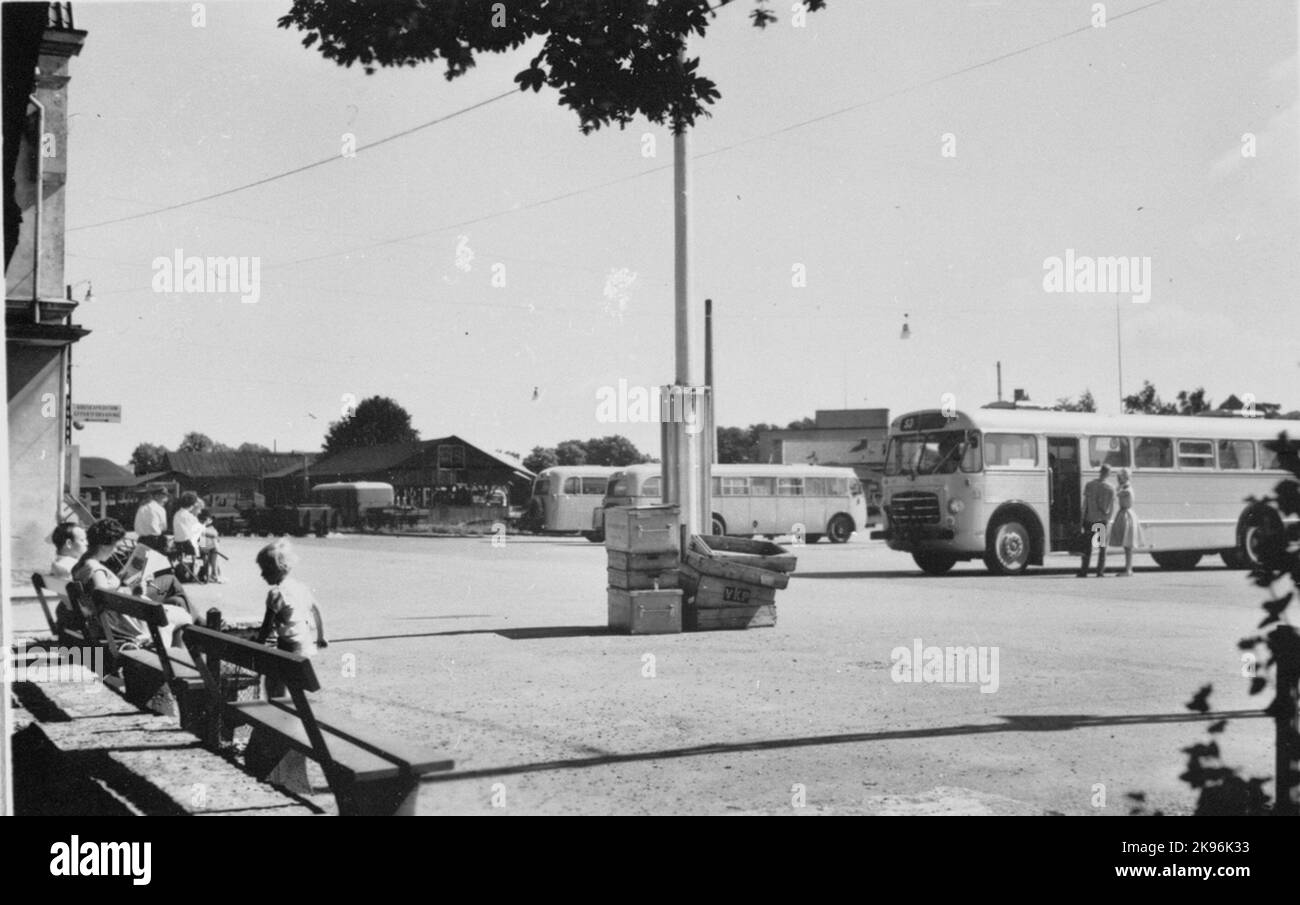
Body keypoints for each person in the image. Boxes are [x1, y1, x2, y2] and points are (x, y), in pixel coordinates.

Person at [72, 518, 193, 648]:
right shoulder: (96, 570)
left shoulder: (81, 565)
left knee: (176, 603)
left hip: (112, 622)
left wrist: (125, 587)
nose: (114, 552)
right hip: (121, 624)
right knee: (183, 615)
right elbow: (103, 600)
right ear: (103, 546)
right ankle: (172, 660)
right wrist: (134, 592)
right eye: (114, 547)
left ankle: (173, 658)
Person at [253, 539, 327, 694]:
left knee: (274, 685)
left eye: (265, 570)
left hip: (289, 647)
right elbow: (317, 610)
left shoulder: (276, 594)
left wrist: (257, 645)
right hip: (304, 646)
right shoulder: (300, 587)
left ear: (277, 569)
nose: (261, 575)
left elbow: (266, 626)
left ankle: (279, 714)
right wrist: (321, 636)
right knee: (292, 687)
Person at [1078, 464, 1116, 578]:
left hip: (1089, 519)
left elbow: (1084, 505)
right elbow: (1111, 507)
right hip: (1102, 521)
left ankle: (1084, 571)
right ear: (1108, 474)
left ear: (1100, 471)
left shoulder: (1089, 485)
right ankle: (1100, 572)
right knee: (1102, 548)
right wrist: (1108, 519)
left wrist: (1081, 519)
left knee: (1087, 547)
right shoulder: (1110, 488)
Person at [1108, 468, 1145, 576]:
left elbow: (1115, 494)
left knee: (1128, 545)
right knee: (1127, 545)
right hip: (1125, 514)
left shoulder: (1127, 489)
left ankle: (1128, 569)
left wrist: (1119, 486)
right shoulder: (1126, 488)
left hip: (1126, 515)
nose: (1118, 479)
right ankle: (1128, 568)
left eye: (1119, 477)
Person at [172, 492, 205, 577]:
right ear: (192, 505)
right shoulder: (189, 516)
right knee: (206, 545)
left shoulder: (177, 514)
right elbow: (200, 530)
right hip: (188, 544)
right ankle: (204, 573)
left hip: (178, 543)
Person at [134, 487, 170, 553]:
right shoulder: (160, 509)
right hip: (155, 542)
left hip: (141, 540)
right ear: (156, 496)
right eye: (164, 497)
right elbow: (164, 528)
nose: (166, 500)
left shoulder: (142, 507)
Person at [199, 514, 223, 583]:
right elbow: (202, 541)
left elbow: (217, 538)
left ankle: (215, 574)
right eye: (204, 520)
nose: (205, 521)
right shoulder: (201, 528)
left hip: (211, 548)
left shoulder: (212, 529)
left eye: (208, 520)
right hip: (204, 548)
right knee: (214, 554)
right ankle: (214, 575)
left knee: (214, 558)